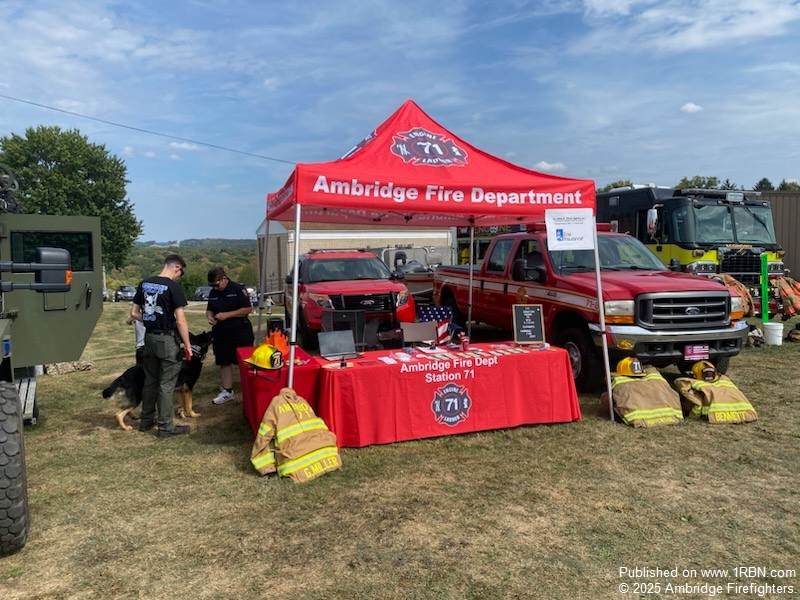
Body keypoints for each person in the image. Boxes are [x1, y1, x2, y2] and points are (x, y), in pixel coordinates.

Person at [129, 254, 193, 437]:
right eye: (180, 273)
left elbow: (134, 313)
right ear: (177, 268)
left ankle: (146, 421)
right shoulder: (174, 287)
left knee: (151, 380)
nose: (178, 276)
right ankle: (166, 427)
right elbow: (180, 321)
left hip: (148, 338)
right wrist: (187, 345)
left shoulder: (144, 283)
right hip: (166, 340)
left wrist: (150, 319)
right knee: (166, 384)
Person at [205, 267, 255, 404]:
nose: (214, 287)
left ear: (224, 279)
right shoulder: (213, 292)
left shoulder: (238, 289)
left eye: (216, 284)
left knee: (244, 361)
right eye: (212, 285)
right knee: (223, 361)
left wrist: (227, 315)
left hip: (240, 330)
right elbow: (209, 309)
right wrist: (210, 317)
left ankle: (249, 389)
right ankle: (227, 391)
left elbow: (248, 309)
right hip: (221, 331)